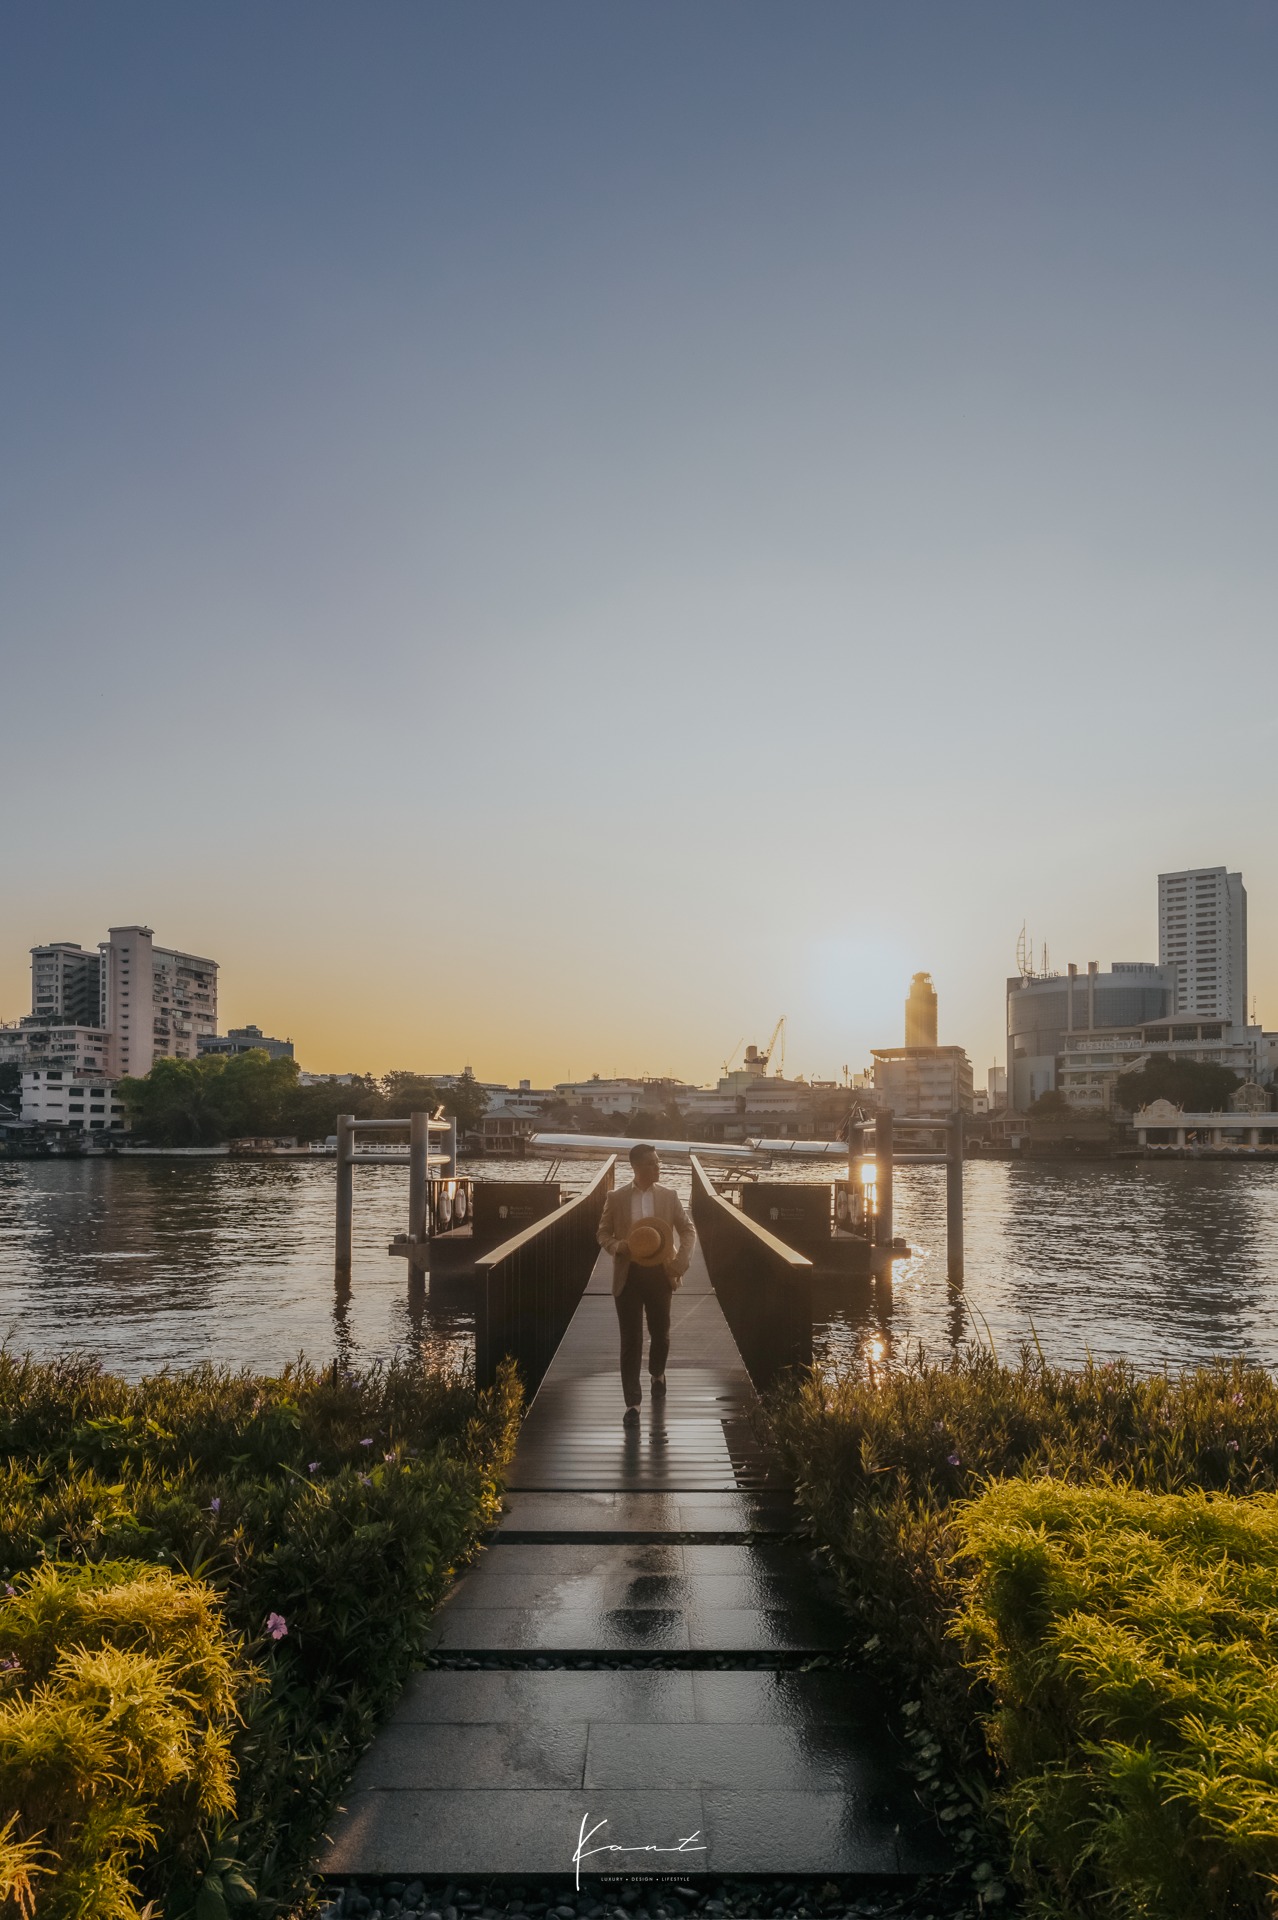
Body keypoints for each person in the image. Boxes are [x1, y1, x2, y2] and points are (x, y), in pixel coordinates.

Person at [597, 1143, 696, 1426]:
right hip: (628, 1274)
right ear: (637, 1167)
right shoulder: (616, 1197)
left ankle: (657, 1372)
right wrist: (617, 1245)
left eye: (658, 1162)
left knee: (660, 1333)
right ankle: (633, 1404)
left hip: (660, 1273)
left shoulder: (669, 1195)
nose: (658, 1167)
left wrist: (682, 1261)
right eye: (652, 1163)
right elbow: (602, 1233)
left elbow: (688, 1229)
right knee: (631, 1340)